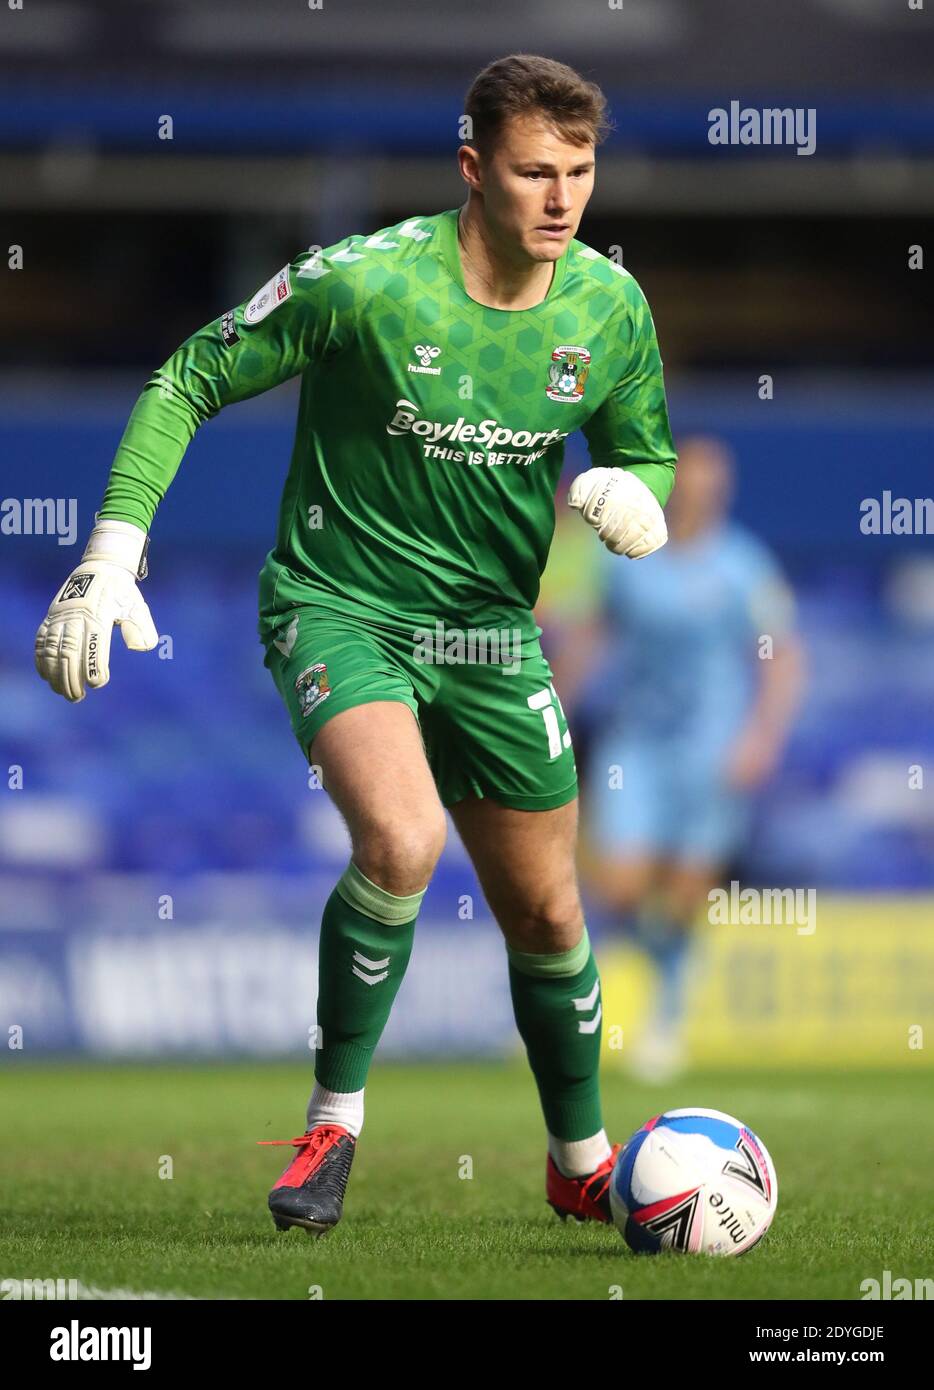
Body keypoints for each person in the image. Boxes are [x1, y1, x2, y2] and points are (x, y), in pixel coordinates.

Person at [34, 54, 677, 1235]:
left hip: (491, 637)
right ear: (473, 167)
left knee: (546, 914)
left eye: (579, 173)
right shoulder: (367, 284)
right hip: (343, 605)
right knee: (402, 834)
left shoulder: (607, 307)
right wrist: (113, 553)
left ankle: (578, 1159)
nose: (560, 200)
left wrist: (640, 496)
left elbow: (645, 455)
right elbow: (188, 376)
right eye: (534, 171)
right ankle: (334, 1123)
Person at [545, 437, 803, 1082]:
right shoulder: (628, 559)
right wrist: (552, 706)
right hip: (637, 747)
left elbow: (782, 657)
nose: (698, 494)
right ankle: (583, 1006)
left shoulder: (745, 566)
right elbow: (588, 638)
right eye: (689, 481)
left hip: (712, 750)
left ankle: (666, 1014)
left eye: (711, 484)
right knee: (622, 884)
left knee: (686, 894)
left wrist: (761, 737)